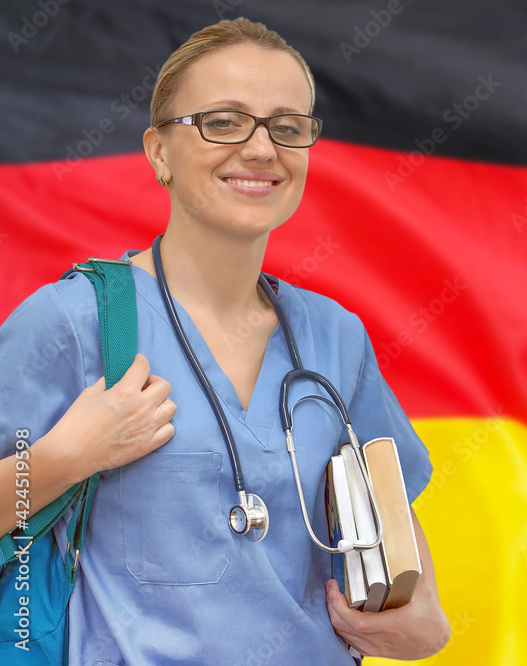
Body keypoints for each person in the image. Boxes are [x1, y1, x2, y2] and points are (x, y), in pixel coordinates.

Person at [0, 17, 449, 664]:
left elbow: (394, 513)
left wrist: (426, 616)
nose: (261, 149)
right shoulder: (76, 322)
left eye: (287, 127)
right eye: (223, 121)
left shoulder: (334, 338)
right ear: (159, 152)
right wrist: (65, 459)